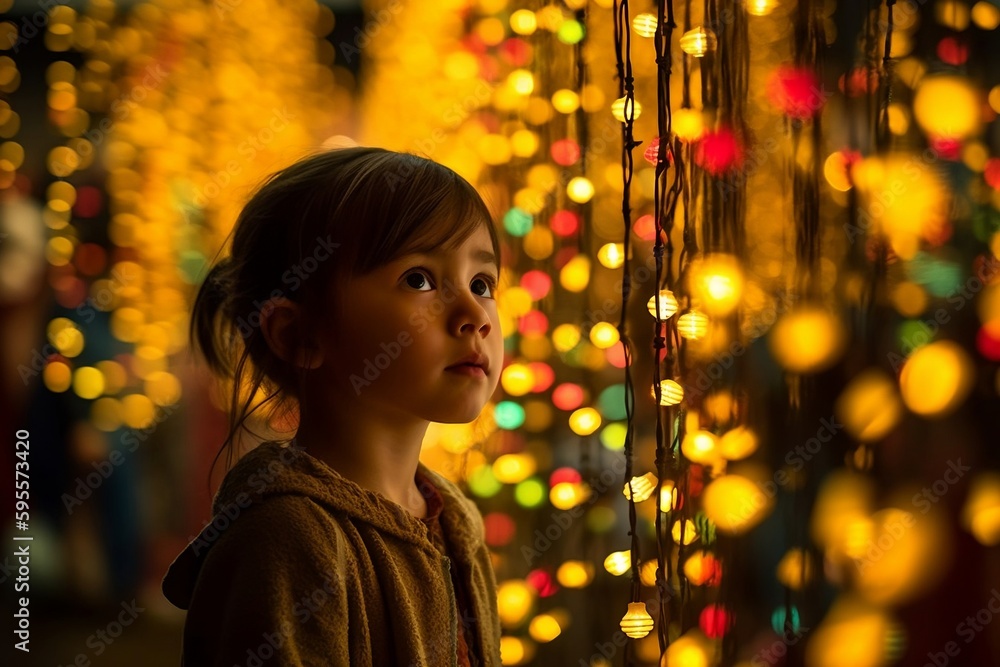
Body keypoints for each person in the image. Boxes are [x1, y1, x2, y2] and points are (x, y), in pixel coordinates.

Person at [161, 147, 504, 666]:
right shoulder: (287, 539)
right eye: (420, 278)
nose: (474, 313)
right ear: (298, 335)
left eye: (482, 283)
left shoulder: (457, 521)